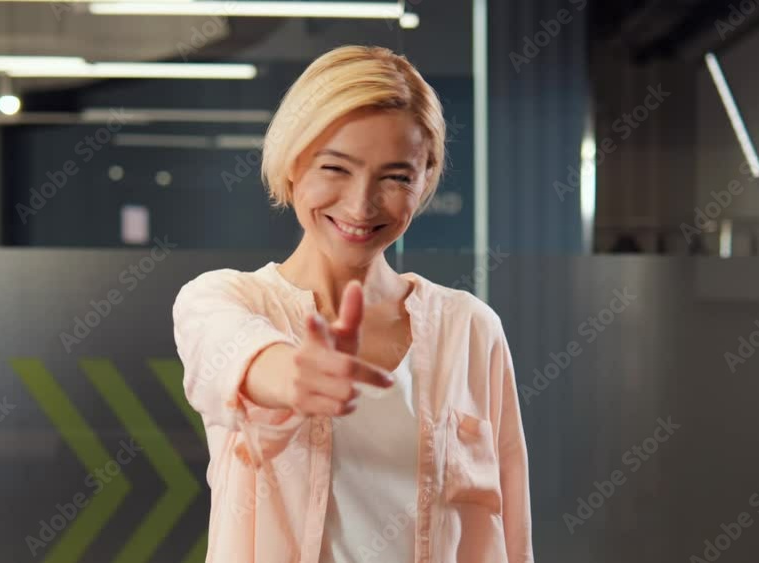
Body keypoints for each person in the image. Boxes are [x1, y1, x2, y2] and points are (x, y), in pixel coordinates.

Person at [173, 45, 533, 563]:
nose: (361, 204)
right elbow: (237, 354)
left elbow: (507, 530)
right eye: (336, 168)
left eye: (396, 177)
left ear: (425, 179)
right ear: (294, 163)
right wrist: (291, 374)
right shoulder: (221, 299)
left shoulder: (470, 328)